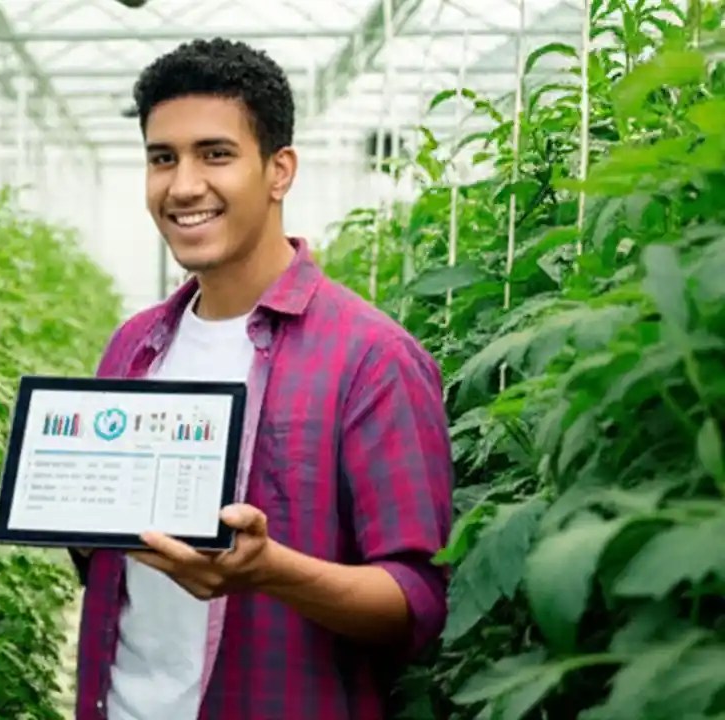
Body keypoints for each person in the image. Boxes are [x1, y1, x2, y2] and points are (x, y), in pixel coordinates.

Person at [68, 38, 454, 720]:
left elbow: (416, 604)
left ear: (280, 171)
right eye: (163, 158)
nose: (182, 186)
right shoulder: (134, 347)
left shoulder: (371, 359)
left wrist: (271, 570)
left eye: (215, 154)